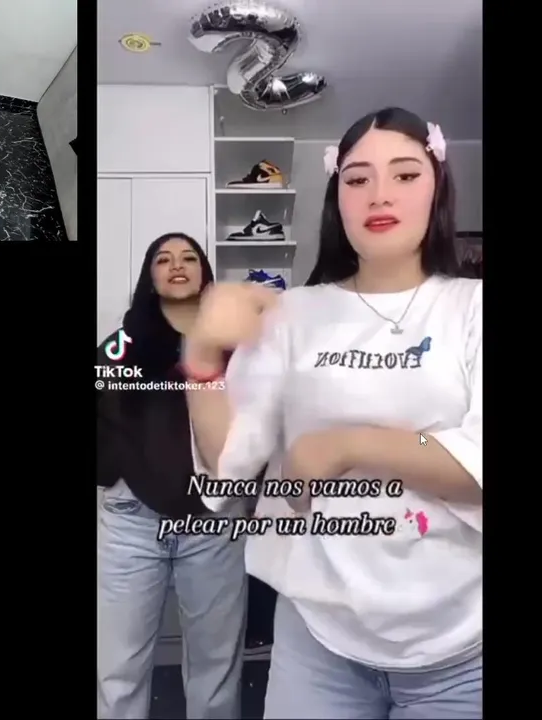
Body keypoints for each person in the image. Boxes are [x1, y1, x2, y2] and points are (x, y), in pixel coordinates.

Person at [182, 107, 483, 719]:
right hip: (316, 640)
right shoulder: (293, 314)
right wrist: (203, 357)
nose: (379, 194)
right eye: (357, 178)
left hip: (459, 647)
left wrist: (349, 445)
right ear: (337, 196)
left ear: (437, 187)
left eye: (405, 174)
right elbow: (229, 465)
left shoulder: (472, 308)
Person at [96, 233, 249, 720]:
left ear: (205, 272)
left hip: (214, 523)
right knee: (118, 669)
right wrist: (114, 471)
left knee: (216, 665)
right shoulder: (123, 343)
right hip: (132, 522)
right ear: (150, 276)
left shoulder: (234, 345)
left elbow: (259, 420)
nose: (176, 265)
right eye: (163, 259)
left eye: (188, 258)